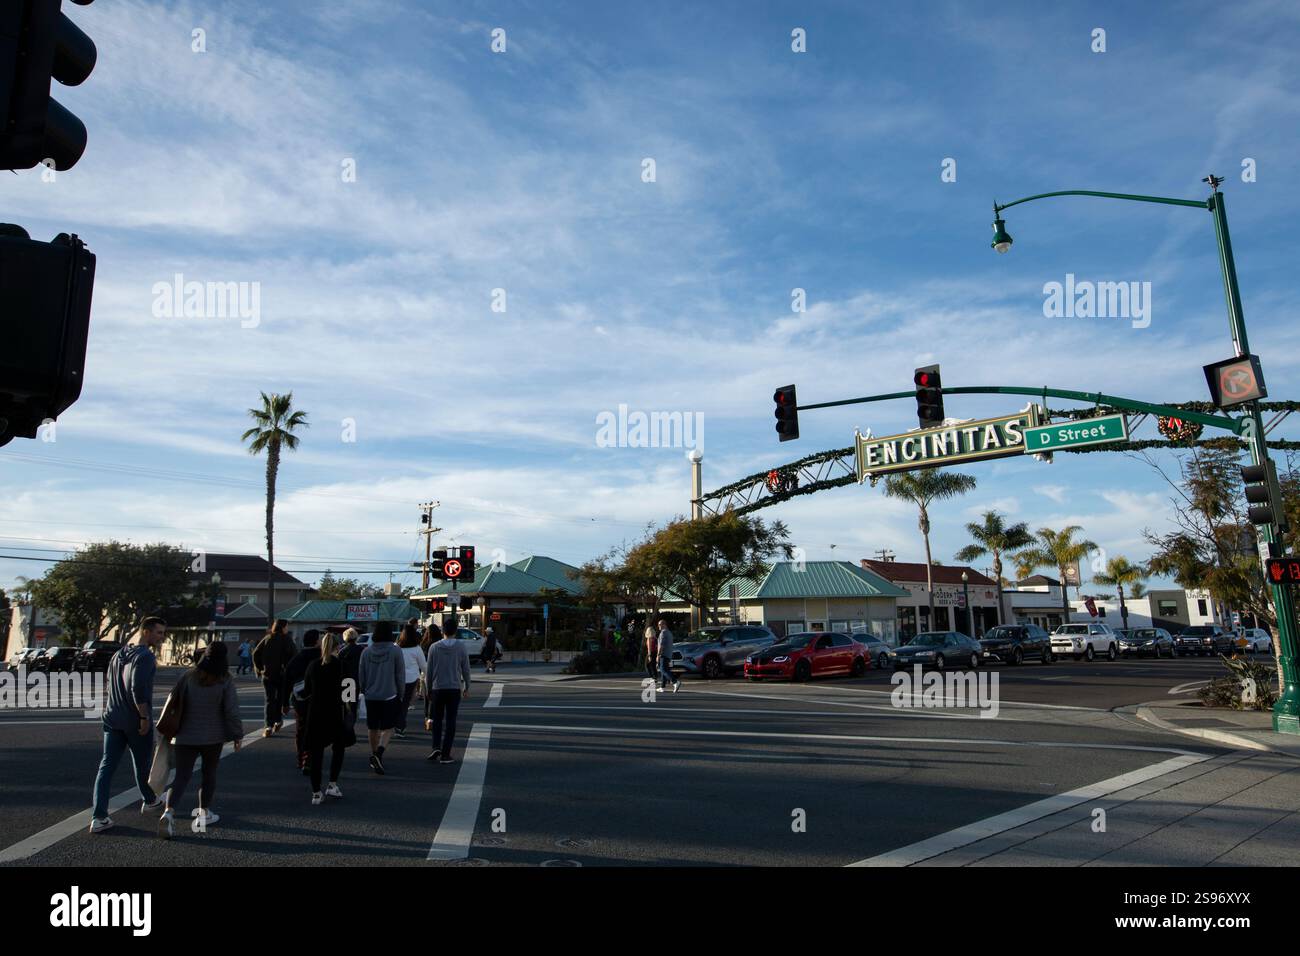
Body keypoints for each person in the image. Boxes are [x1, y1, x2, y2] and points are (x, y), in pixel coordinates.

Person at [157, 642, 244, 839]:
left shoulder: (188, 676)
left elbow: (173, 700)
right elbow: (231, 711)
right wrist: (237, 735)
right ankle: (203, 812)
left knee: (181, 776)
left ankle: (168, 812)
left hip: (184, 735)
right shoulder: (225, 680)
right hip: (212, 737)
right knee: (209, 774)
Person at [90, 616, 167, 833]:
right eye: (159, 632)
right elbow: (138, 689)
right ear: (146, 632)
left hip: (112, 717)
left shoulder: (118, 654)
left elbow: (109, 683)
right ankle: (151, 801)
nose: (162, 637)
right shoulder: (145, 657)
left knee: (106, 767)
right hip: (134, 720)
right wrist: (143, 717)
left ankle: (99, 816)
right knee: (142, 765)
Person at [303, 632, 352, 804]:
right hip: (336, 713)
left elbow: (306, 691)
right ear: (338, 647)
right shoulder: (343, 666)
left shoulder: (313, 666)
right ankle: (332, 784)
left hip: (316, 713)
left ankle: (316, 792)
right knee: (338, 749)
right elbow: (350, 693)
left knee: (316, 754)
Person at [356, 620, 405, 774]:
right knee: (388, 727)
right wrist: (401, 693)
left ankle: (373, 753)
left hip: (371, 695)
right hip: (389, 694)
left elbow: (361, 675)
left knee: (372, 727)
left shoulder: (366, 652)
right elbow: (400, 674)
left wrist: (364, 690)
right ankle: (379, 753)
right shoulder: (395, 651)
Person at [424, 615, 471, 764]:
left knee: (437, 719)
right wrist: (467, 686)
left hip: (438, 687)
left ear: (443, 630)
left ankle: (435, 747)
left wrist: (428, 689)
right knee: (451, 721)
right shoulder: (461, 646)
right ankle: (446, 753)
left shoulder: (434, 647)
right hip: (453, 688)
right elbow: (466, 668)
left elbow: (429, 671)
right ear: (455, 631)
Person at [281, 630, 321, 773]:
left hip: (299, 699)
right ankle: (310, 758)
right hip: (319, 699)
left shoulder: (296, 659)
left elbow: (286, 681)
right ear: (316, 641)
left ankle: (301, 757)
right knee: (316, 729)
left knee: (301, 729)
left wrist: (284, 702)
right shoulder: (322, 658)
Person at [252, 619, 296, 737]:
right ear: (282, 627)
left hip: (267, 675)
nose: (287, 629)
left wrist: (260, 669)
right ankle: (278, 720)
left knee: (269, 700)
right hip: (282, 675)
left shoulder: (267, 638)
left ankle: (268, 726)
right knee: (280, 699)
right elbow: (294, 656)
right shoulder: (287, 639)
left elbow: (255, 653)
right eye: (286, 627)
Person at [395, 624, 425, 739]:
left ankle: (398, 724)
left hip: (397, 678)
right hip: (411, 679)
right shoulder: (417, 648)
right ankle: (400, 726)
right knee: (405, 703)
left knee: (397, 702)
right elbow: (423, 665)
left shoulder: (396, 647)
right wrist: (428, 676)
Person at [337, 628, 363, 725]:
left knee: (346, 706)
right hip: (357, 679)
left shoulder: (342, 652)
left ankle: (346, 725)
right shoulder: (361, 650)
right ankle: (351, 725)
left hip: (345, 680)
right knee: (354, 705)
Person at [657, 619, 680, 693]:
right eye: (658, 625)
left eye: (660, 625)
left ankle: (675, 681)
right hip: (668, 654)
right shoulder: (669, 633)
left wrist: (658, 655)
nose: (659, 626)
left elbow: (662, 645)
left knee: (663, 670)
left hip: (663, 654)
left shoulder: (663, 633)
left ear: (664, 625)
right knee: (664, 670)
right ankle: (662, 687)